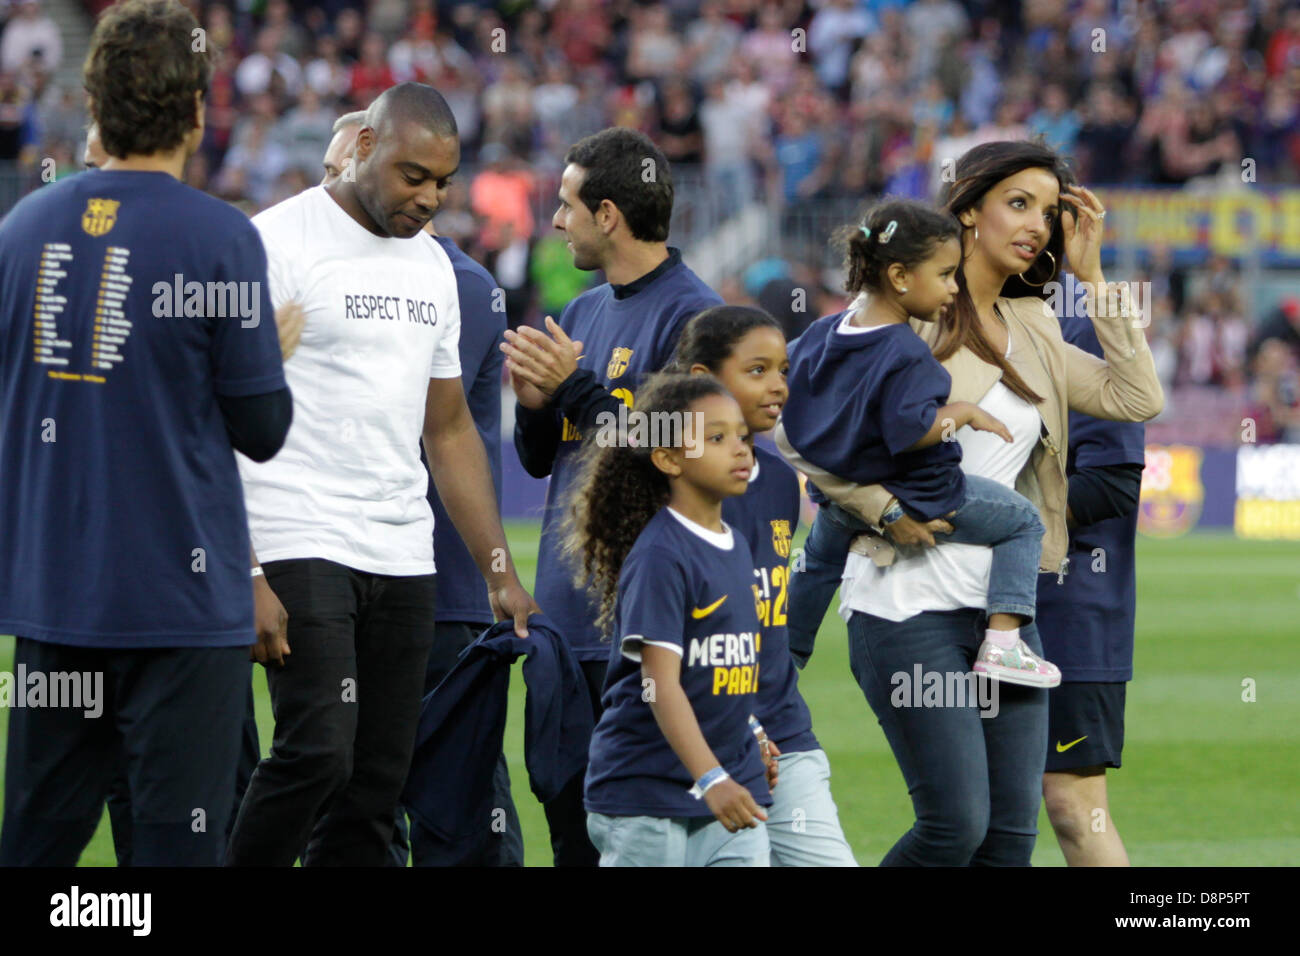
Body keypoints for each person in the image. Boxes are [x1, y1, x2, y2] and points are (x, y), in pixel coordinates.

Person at [776, 139, 1163, 866]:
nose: (1037, 226)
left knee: (1009, 842)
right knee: (955, 827)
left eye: (1048, 212)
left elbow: (1137, 397)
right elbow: (789, 417)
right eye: (1018, 203)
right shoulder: (904, 316)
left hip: (1005, 621)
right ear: (967, 212)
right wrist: (883, 510)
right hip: (902, 604)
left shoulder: (1036, 327)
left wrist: (1095, 278)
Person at [0, 0, 291, 866]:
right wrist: (270, 352)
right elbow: (263, 428)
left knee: (36, 853)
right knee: (174, 854)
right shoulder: (222, 240)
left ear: (93, 107)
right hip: (179, 614)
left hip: (55, 603)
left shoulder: (19, 232)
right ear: (198, 111)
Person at [226, 82, 538, 867]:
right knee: (319, 751)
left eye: (443, 182)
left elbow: (449, 427)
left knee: (375, 786)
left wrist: (497, 567)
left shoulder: (434, 269)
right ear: (363, 147)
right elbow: (219, 418)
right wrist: (247, 567)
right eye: (413, 176)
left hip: (403, 553)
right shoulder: (273, 244)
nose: (430, 198)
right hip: (298, 537)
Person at [503, 127, 722, 865]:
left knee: (642, 835)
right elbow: (546, 463)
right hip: (564, 619)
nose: (555, 221)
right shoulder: (586, 312)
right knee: (567, 820)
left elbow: (673, 456)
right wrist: (536, 406)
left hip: (639, 623)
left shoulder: (696, 318)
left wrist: (578, 388)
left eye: (566, 204)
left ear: (607, 214)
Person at [319, 110, 524, 868]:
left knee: (461, 811)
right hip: (355, 582)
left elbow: (410, 425)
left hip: (439, 591)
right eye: (326, 176)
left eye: (342, 174)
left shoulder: (452, 285)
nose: (331, 194)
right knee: (352, 802)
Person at [781, 199, 1056, 688]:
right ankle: (1005, 645)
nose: (954, 288)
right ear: (901, 277)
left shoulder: (826, 331)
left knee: (817, 563)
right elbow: (908, 433)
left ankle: (782, 659)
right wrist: (962, 415)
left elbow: (788, 383)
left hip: (845, 496)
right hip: (923, 488)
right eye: (946, 274)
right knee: (1023, 522)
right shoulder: (906, 349)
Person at [673, 305, 858, 866]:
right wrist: (740, 727)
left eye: (782, 369)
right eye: (757, 370)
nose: (778, 385)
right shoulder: (669, 487)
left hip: (786, 735)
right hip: (701, 745)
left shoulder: (778, 478)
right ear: (705, 379)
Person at [564, 373, 772, 866]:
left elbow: (719, 666)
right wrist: (710, 778)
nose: (740, 450)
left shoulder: (737, 545)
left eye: (742, 436)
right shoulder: (661, 554)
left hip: (731, 782)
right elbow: (659, 685)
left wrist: (752, 732)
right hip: (648, 797)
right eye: (717, 438)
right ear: (668, 458)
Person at [1038, 312, 1147, 866]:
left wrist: (996, 526)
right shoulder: (958, 316)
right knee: (968, 809)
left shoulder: (1080, 323)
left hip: (1068, 606)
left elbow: (1110, 480)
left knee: (1073, 805)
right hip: (966, 602)